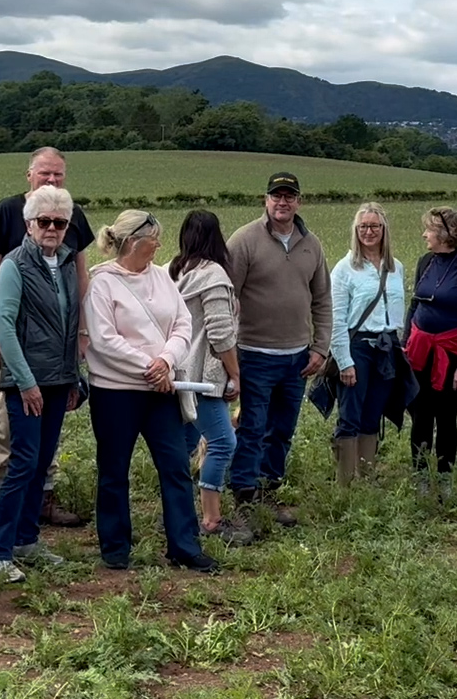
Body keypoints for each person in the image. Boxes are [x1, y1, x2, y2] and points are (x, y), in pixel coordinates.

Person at [85, 211, 218, 573]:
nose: (160, 244)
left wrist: (166, 361)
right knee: (114, 469)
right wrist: (151, 366)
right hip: (116, 391)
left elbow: (182, 323)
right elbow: (103, 338)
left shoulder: (162, 278)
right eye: (154, 238)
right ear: (132, 242)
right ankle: (115, 547)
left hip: (161, 390)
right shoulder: (102, 283)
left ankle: (184, 545)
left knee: (175, 465)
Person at [0, 147, 91, 527]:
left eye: (58, 174)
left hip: (57, 353)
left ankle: (40, 501)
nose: (51, 180)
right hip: (16, 340)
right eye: (45, 173)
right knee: (7, 422)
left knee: (46, 433)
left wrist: (81, 331)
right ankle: (0, 499)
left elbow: (79, 276)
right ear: (28, 173)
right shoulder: (8, 212)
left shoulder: (72, 213)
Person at [226, 172, 332, 526]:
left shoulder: (311, 244)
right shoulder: (244, 240)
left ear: (299, 202)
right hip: (255, 353)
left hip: (298, 358)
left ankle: (268, 493)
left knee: (282, 429)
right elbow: (227, 297)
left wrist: (320, 346)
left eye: (289, 196)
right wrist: (227, 352)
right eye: (276, 196)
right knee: (253, 427)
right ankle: (243, 497)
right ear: (265, 200)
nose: (282, 202)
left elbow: (323, 300)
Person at [170, 210, 249, 546]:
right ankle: (212, 518)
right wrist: (235, 372)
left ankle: (177, 511)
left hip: (178, 369)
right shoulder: (214, 276)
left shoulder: (175, 271)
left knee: (184, 442)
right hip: (203, 374)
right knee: (221, 442)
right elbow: (220, 332)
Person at [404, 206, 457, 483]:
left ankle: (444, 477)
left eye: (429, 230)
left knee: (445, 417)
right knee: (420, 415)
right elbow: (414, 305)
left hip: (451, 355)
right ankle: (420, 475)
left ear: (444, 234)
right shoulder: (425, 262)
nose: (424, 235)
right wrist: (405, 344)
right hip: (420, 352)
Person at [327, 203, 406, 487]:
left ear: (384, 230)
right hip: (357, 346)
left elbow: (399, 313)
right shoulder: (344, 269)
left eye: (374, 226)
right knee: (350, 416)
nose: (369, 232)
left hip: (387, 347)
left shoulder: (396, 268)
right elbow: (336, 319)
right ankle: (345, 485)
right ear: (355, 231)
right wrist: (344, 360)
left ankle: (367, 480)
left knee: (373, 414)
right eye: (363, 227)